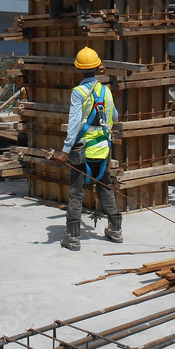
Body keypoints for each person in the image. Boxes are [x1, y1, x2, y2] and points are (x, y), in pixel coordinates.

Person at [53, 47, 122, 251]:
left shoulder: (78, 92)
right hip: (102, 148)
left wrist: (65, 150)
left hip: (81, 150)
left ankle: (73, 237)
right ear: (97, 68)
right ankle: (115, 229)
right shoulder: (106, 91)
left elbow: (74, 123)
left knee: (76, 191)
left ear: (79, 69)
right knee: (104, 185)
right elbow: (115, 117)